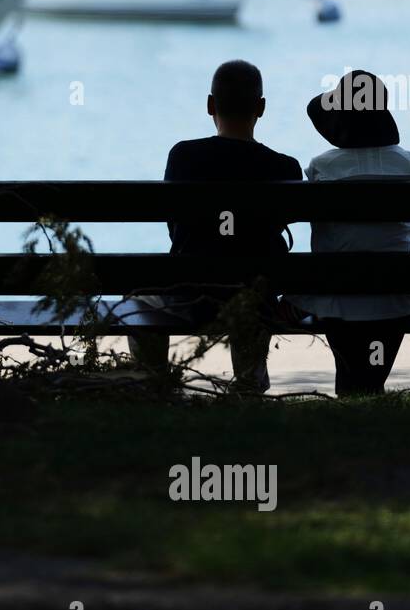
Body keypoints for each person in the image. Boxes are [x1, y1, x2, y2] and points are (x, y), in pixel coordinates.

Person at [129, 60, 302, 393]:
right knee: (255, 278)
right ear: (261, 108)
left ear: (210, 105)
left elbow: (174, 227)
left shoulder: (183, 156)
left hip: (190, 296)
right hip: (255, 296)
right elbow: (280, 225)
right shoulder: (286, 167)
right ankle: (249, 380)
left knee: (137, 296)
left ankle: (154, 381)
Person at [283, 70, 410, 396]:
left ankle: (355, 403)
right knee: (369, 378)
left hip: (338, 298)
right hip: (397, 297)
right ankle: (364, 402)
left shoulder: (322, 167)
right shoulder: (408, 167)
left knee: (352, 375)